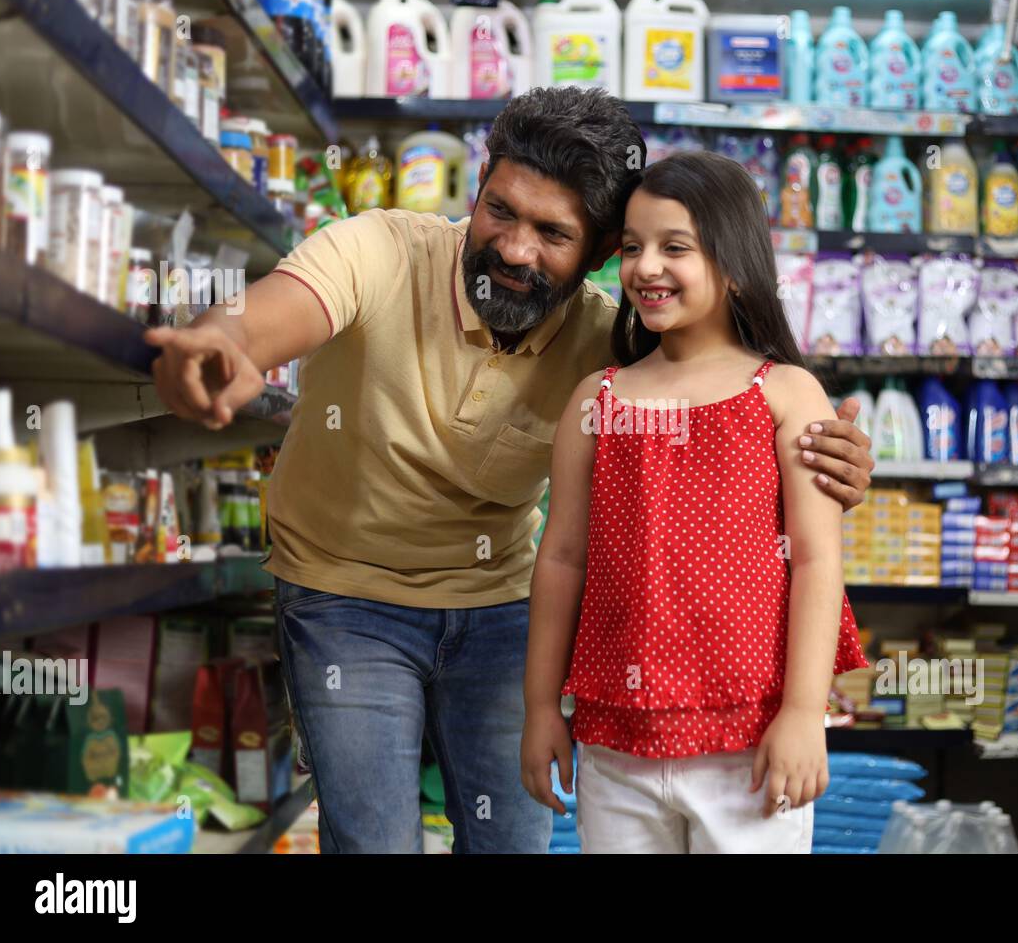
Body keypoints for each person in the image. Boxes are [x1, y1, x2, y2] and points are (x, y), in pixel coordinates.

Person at [146, 88, 875, 854]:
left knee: (511, 843)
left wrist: (828, 467)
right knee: (373, 843)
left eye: (552, 233)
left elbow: (714, 426)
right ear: (480, 182)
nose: (516, 249)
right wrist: (223, 349)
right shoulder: (378, 250)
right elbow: (259, 321)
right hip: (343, 599)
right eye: (502, 211)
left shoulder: (611, 347)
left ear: (598, 254)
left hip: (498, 606)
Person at [521, 152, 869, 853]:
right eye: (631, 247)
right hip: (615, 745)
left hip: (750, 743)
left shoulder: (786, 393)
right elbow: (560, 557)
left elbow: (816, 561)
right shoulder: (598, 398)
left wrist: (804, 712)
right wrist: (539, 709)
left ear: (735, 261)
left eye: (675, 247)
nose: (646, 267)